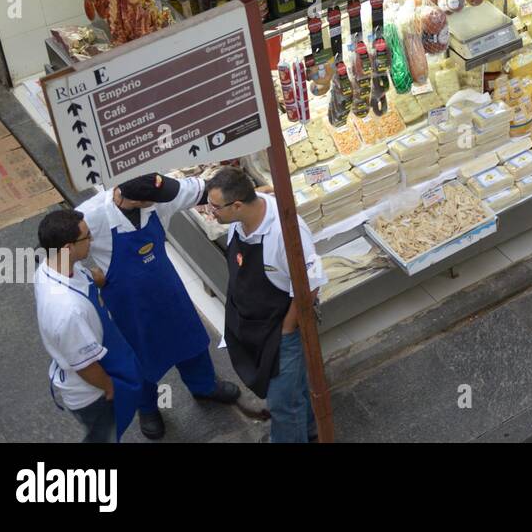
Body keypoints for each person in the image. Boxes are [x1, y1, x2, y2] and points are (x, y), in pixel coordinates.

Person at [77, 173, 241, 439]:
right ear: (138, 200)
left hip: (167, 290)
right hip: (128, 305)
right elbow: (57, 250)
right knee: (139, 357)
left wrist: (241, 190)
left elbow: (202, 189)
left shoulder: (158, 198)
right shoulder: (90, 216)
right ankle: (147, 407)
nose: (162, 201)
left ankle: (204, 386)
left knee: (190, 341)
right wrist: (88, 276)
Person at [205, 167, 325, 443]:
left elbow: (312, 282)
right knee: (293, 392)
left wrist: (287, 329)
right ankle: (308, 432)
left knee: (283, 403)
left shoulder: (287, 233)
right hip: (250, 323)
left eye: (215, 207)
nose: (211, 212)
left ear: (236, 205)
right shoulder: (242, 214)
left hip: (278, 330)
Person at [34, 207, 144, 442]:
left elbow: (81, 276)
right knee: (104, 437)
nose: (91, 240)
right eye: (86, 237)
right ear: (67, 248)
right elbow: (85, 366)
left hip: (102, 363)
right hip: (91, 393)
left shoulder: (52, 265)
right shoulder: (67, 310)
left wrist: (96, 278)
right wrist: (109, 387)